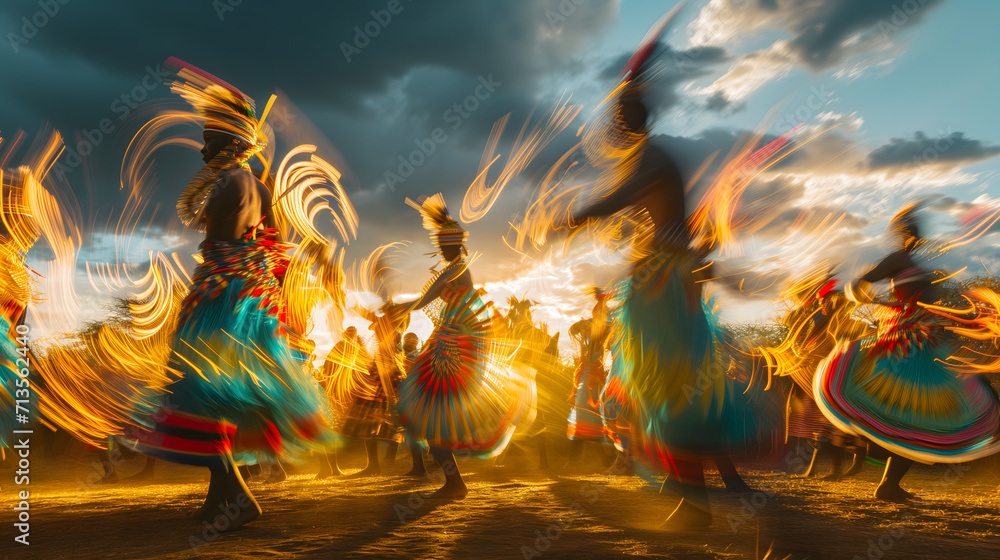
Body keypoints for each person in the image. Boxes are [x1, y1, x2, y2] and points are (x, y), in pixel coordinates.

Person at [126, 59, 335, 530]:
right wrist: (275, 310)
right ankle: (219, 497)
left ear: (233, 140)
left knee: (198, 393)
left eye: (211, 140)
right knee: (213, 400)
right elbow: (275, 255)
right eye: (202, 139)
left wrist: (203, 296)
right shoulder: (258, 185)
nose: (203, 149)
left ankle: (238, 498)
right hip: (253, 302)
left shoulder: (229, 184)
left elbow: (221, 249)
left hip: (225, 300)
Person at [813, 204, 1000, 502]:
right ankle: (881, 474)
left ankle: (888, 485)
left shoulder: (917, 264)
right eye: (910, 228)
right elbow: (860, 285)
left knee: (930, 416)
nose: (916, 233)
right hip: (904, 344)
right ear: (901, 233)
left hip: (926, 344)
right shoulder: (897, 259)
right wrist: (881, 303)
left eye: (917, 228)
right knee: (921, 413)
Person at [388, 194, 530, 498]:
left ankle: (455, 484)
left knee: (430, 417)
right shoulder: (452, 269)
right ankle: (454, 483)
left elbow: (427, 298)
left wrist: (401, 307)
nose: (441, 248)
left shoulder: (457, 269)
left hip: (454, 354)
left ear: (455, 246)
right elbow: (431, 300)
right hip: (445, 348)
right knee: (426, 418)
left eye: (445, 245)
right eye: (440, 245)